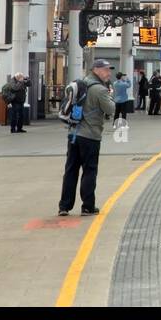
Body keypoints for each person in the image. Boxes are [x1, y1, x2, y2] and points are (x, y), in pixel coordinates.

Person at [58, 58, 116, 216]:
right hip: (90, 136)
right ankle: (88, 206)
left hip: (73, 133)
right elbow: (110, 109)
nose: (108, 73)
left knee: (70, 170)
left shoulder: (81, 84)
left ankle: (64, 206)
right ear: (96, 70)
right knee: (89, 170)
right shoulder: (100, 89)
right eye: (105, 70)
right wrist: (111, 95)